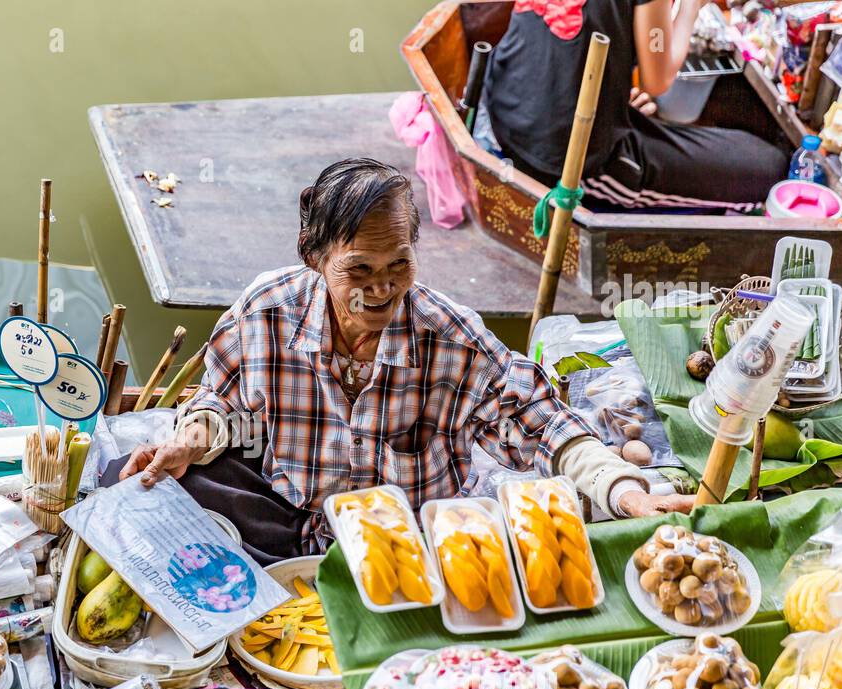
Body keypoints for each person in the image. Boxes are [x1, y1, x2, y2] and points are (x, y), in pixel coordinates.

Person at [116, 158, 691, 564]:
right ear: (315, 257)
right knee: (152, 479)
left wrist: (625, 490)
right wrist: (194, 433)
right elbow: (222, 402)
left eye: (399, 266)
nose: (382, 289)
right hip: (291, 524)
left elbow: (546, 424)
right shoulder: (266, 313)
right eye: (359, 271)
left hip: (409, 552)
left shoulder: (451, 338)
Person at [484, 0, 789, 212]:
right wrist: (691, 8)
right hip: (568, 157)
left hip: (504, 105)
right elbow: (656, 82)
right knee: (772, 167)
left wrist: (611, 96)